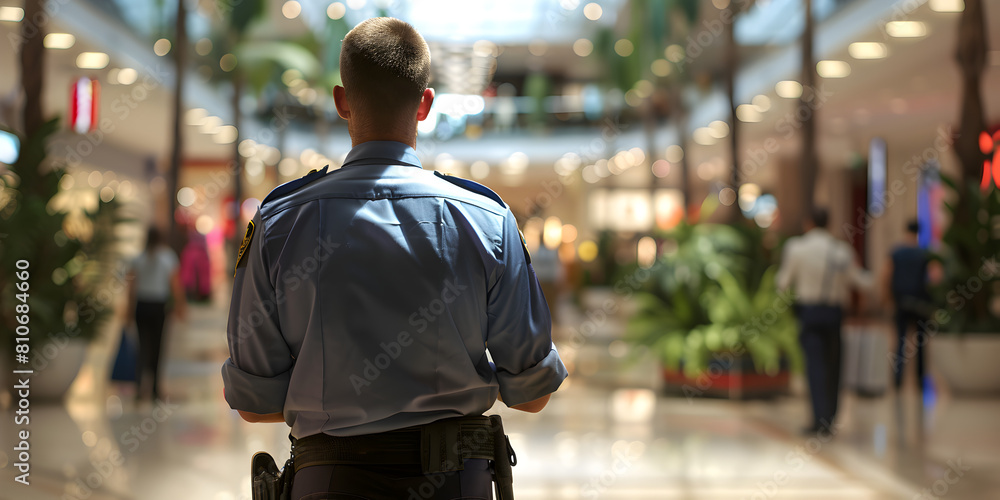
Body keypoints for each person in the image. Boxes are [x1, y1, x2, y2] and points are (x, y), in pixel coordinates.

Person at [221, 17, 567, 500]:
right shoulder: (486, 219)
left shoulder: (281, 222)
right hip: (456, 484)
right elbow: (533, 395)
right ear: (425, 104)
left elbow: (254, 405)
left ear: (342, 100)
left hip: (328, 484)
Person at [777, 207, 872, 435]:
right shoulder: (840, 250)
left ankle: (818, 419)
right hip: (834, 313)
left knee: (815, 366)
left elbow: (782, 283)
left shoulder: (797, 248)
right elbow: (860, 280)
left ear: (808, 222)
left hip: (809, 312)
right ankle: (830, 418)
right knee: (834, 365)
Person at [126, 227, 186, 402]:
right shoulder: (168, 258)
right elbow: (175, 285)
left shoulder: (138, 259)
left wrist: (129, 311)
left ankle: (139, 386)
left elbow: (131, 288)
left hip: (141, 305)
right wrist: (180, 305)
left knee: (142, 346)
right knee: (158, 347)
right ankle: (154, 389)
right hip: (158, 307)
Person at [882, 219, 939, 392]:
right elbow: (934, 277)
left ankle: (898, 380)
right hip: (920, 302)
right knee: (920, 342)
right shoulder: (924, 253)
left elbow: (886, 275)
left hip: (901, 301)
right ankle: (920, 380)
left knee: (900, 340)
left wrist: (887, 298)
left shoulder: (896, 252)